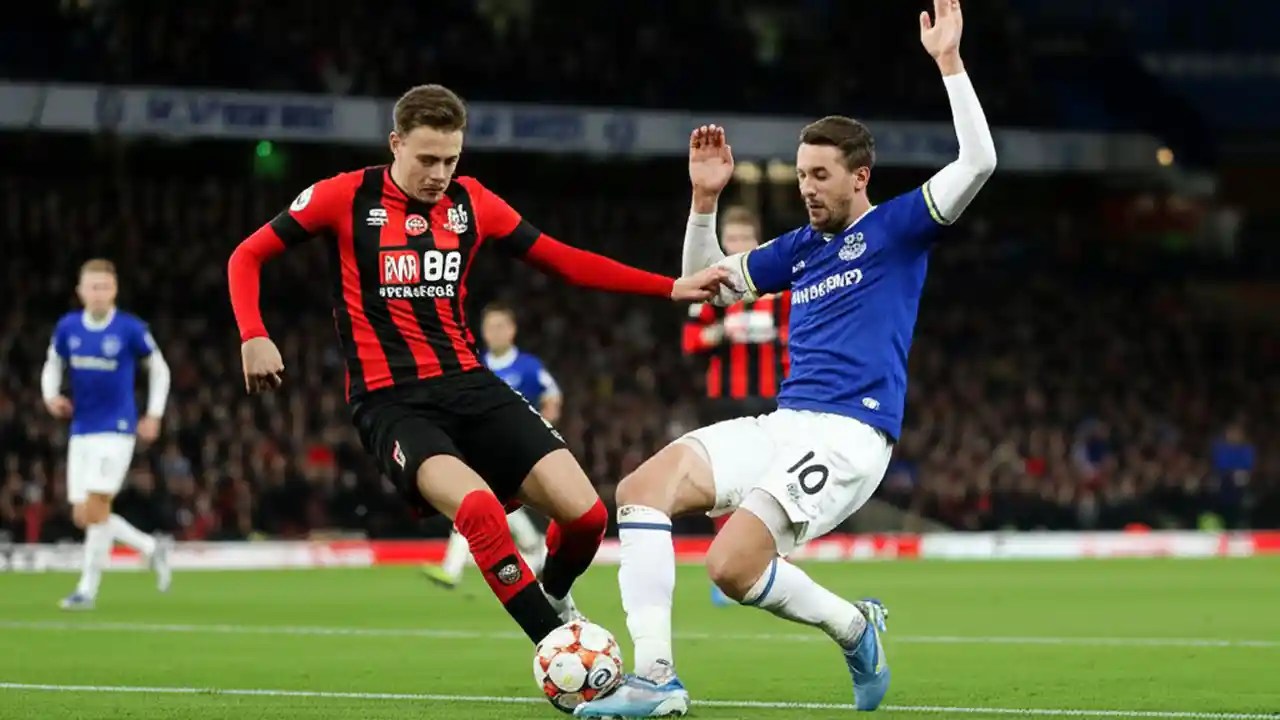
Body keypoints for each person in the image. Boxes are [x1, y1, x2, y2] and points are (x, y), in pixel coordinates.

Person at [575, 1, 997, 715]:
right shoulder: (798, 250)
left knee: (730, 566)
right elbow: (703, 289)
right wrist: (704, 202)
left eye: (820, 176)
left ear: (859, 177)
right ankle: (655, 678)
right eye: (802, 175)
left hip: (851, 434)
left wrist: (949, 63)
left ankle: (854, 628)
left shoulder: (897, 227)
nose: (806, 187)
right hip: (786, 420)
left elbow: (979, 162)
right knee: (641, 488)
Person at [226, 84, 728, 646]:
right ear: (396, 144)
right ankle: (554, 646)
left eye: (450, 159)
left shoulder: (473, 203)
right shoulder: (344, 197)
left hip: (472, 386)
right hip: (393, 402)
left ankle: (555, 595)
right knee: (480, 511)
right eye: (426, 159)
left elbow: (563, 261)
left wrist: (669, 287)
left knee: (587, 518)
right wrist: (254, 334)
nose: (439, 173)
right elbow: (247, 254)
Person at [42, 259, 174, 610]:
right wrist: (51, 395)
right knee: (83, 515)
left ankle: (87, 590)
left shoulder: (129, 329)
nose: (98, 293)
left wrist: (154, 414)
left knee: (97, 508)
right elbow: (52, 362)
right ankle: (150, 547)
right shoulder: (68, 327)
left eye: (105, 286)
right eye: (92, 286)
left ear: (114, 290)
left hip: (117, 429)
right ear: (80, 291)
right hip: (81, 428)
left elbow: (159, 369)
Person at [681, 206, 790, 607]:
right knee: (727, 484)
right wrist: (724, 330)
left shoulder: (780, 291)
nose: (739, 245)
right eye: (733, 239)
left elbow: (798, 337)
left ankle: (773, 560)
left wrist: (771, 334)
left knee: (771, 481)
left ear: (757, 242)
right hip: (723, 397)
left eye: (746, 239)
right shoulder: (713, 287)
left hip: (771, 397)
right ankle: (728, 569)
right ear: (724, 242)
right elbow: (691, 341)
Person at [423, 301, 560, 588]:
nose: (495, 333)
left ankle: (455, 569)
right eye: (490, 327)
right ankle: (534, 555)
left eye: (501, 326)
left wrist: (542, 427)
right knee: (482, 504)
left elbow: (552, 396)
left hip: (518, 448)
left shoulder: (529, 366)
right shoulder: (475, 364)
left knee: (480, 505)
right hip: (482, 449)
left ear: (512, 330)